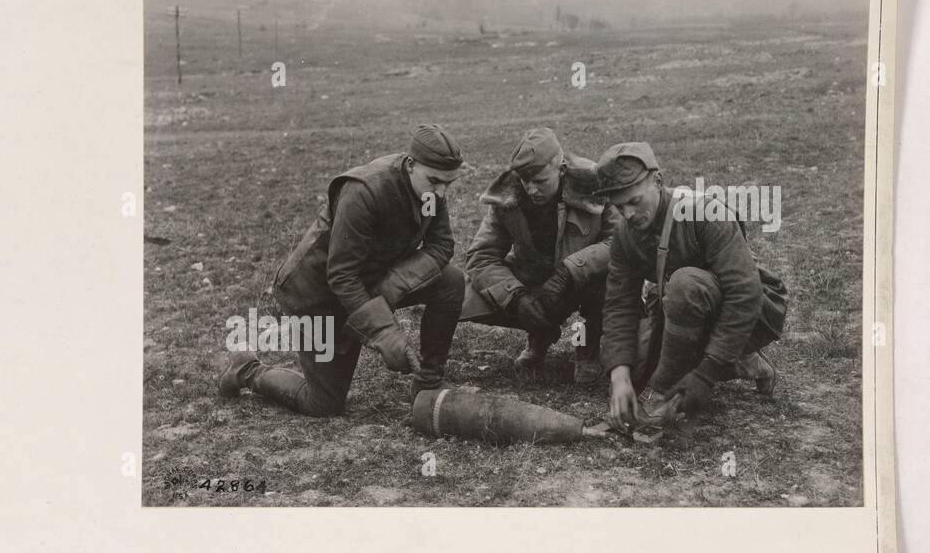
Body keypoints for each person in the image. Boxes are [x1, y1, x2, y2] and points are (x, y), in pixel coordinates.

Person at [218, 124, 467, 416]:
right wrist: (383, 331)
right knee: (323, 404)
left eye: (448, 184)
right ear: (410, 165)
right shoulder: (364, 191)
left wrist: (390, 289)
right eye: (436, 182)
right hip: (319, 296)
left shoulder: (430, 190)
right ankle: (246, 369)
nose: (440, 193)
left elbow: (440, 246)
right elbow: (341, 275)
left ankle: (427, 382)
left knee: (450, 281)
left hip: (371, 282)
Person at [594, 141, 787, 428]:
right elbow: (620, 302)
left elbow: (745, 294)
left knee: (684, 284)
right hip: (681, 308)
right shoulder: (625, 233)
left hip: (753, 309)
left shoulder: (705, 213)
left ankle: (724, 358)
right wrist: (619, 375)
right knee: (631, 370)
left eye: (635, 201)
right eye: (619, 207)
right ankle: (743, 362)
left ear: (658, 181)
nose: (629, 214)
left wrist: (705, 375)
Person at [460, 127, 616, 383]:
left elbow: (621, 242)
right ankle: (540, 334)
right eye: (525, 181)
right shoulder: (508, 196)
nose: (531, 189)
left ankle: (587, 349)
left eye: (540, 181)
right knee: (465, 295)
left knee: (610, 280)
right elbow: (481, 255)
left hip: (587, 280)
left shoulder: (595, 182)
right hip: (536, 282)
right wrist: (515, 297)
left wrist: (571, 269)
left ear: (562, 170)